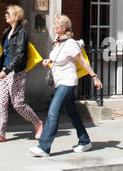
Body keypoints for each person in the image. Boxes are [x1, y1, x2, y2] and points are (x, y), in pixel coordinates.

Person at [31, 15, 103, 156]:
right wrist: (48, 61)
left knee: (53, 111)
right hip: (59, 81)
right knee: (72, 112)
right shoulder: (56, 41)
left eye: (56, 25)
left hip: (68, 82)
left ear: (63, 28)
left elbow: (83, 62)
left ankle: (44, 147)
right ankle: (84, 140)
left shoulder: (71, 43)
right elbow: (57, 58)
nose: (54, 27)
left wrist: (94, 77)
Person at [0, 5, 43, 142]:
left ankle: (37, 123)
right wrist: (0, 68)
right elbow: (5, 53)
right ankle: (1, 134)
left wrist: (8, 70)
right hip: (4, 70)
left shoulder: (21, 33)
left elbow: (19, 55)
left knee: (18, 103)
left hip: (16, 71)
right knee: (1, 102)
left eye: (8, 13)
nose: (6, 15)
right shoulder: (6, 31)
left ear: (16, 16)